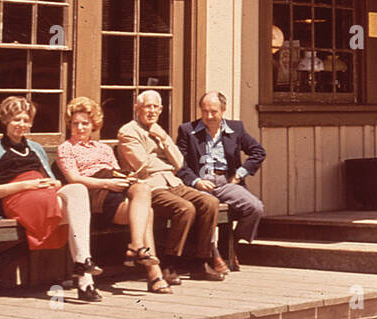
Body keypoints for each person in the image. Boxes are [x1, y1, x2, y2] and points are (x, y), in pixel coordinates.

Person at [0, 96, 102, 302]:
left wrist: (54, 183)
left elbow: (49, 177)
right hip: (16, 198)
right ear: (5, 120)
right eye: (16, 119)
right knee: (75, 211)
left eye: (25, 120)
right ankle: (85, 278)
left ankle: (83, 267)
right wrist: (27, 185)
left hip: (41, 194)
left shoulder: (35, 148)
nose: (21, 124)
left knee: (77, 190)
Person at [56, 97, 171, 293]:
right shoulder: (66, 148)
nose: (80, 128)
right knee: (148, 214)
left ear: (94, 125)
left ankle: (136, 246)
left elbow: (117, 172)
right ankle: (153, 273)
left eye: (85, 123)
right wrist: (107, 183)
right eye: (75, 124)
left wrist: (125, 180)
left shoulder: (104, 148)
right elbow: (73, 178)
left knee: (142, 189)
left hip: (114, 188)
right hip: (93, 193)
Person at [117, 90, 228, 282]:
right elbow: (142, 164)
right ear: (137, 108)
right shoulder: (128, 131)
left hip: (173, 182)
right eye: (147, 106)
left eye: (155, 107)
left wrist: (165, 139)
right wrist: (166, 162)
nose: (151, 111)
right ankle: (169, 263)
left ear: (161, 109)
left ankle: (200, 262)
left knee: (210, 202)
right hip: (150, 185)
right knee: (184, 208)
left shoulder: (159, 131)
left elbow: (179, 162)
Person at [177, 91, 266, 264]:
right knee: (209, 209)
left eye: (214, 111)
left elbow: (258, 152)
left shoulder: (236, 128)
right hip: (200, 184)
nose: (209, 116)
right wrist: (196, 181)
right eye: (204, 111)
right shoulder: (188, 130)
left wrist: (239, 174)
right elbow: (179, 163)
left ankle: (232, 243)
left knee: (255, 208)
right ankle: (214, 254)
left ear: (223, 109)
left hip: (226, 182)